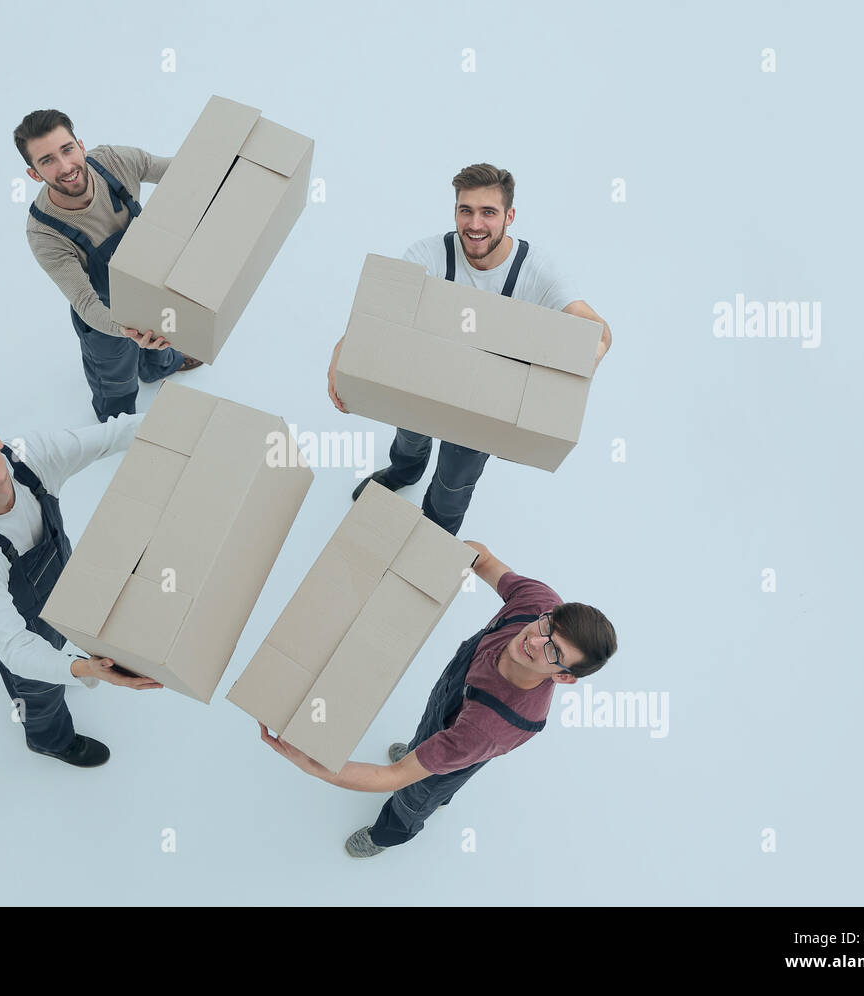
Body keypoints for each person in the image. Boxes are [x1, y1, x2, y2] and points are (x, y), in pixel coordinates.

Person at [259, 540, 617, 856]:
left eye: (554, 651)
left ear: (563, 676)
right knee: (427, 734)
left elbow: (393, 776)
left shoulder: (489, 728)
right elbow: (484, 559)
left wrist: (315, 766)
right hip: (452, 696)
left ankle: (390, 834)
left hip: (467, 733)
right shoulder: (538, 603)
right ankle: (426, 754)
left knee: (416, 794)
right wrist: (430, 553)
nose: (535, 641)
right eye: (547, 627)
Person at [327, 163, 613, 535]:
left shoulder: (537, 271)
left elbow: (596, 329)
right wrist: (340, 354)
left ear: (509, 216)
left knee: (453, 486)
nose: (475, 224)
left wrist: (584, 361)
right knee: (409, 442)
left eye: (488, 212)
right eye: (466, 210)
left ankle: (431, 541)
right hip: (424, 379)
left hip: (485, 402)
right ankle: (404, 473)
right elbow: (380, 308)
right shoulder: (430, 254)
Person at [0, 406, 163, 768]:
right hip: (23, 629)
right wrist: (87, 669)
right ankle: (50, 741)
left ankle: (63, 666)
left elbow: (115, 434)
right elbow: (16, 646)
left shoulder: (30, 460)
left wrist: (194, 421)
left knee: (64, 649)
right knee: (38, 692)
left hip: (67, 591)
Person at [15, 109, 202, 424]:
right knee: (113, 375)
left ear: (81, 146)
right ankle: (117, 422)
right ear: (35, 174)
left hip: (147, 279)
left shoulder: (115, 162)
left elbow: (180, 172)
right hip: (104, 314)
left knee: (162, 341)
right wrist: (129, 330)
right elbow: (86, 302)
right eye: (47, 161)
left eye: (67, 150)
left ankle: (158, 368)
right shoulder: (44, 232)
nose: (65, 167)